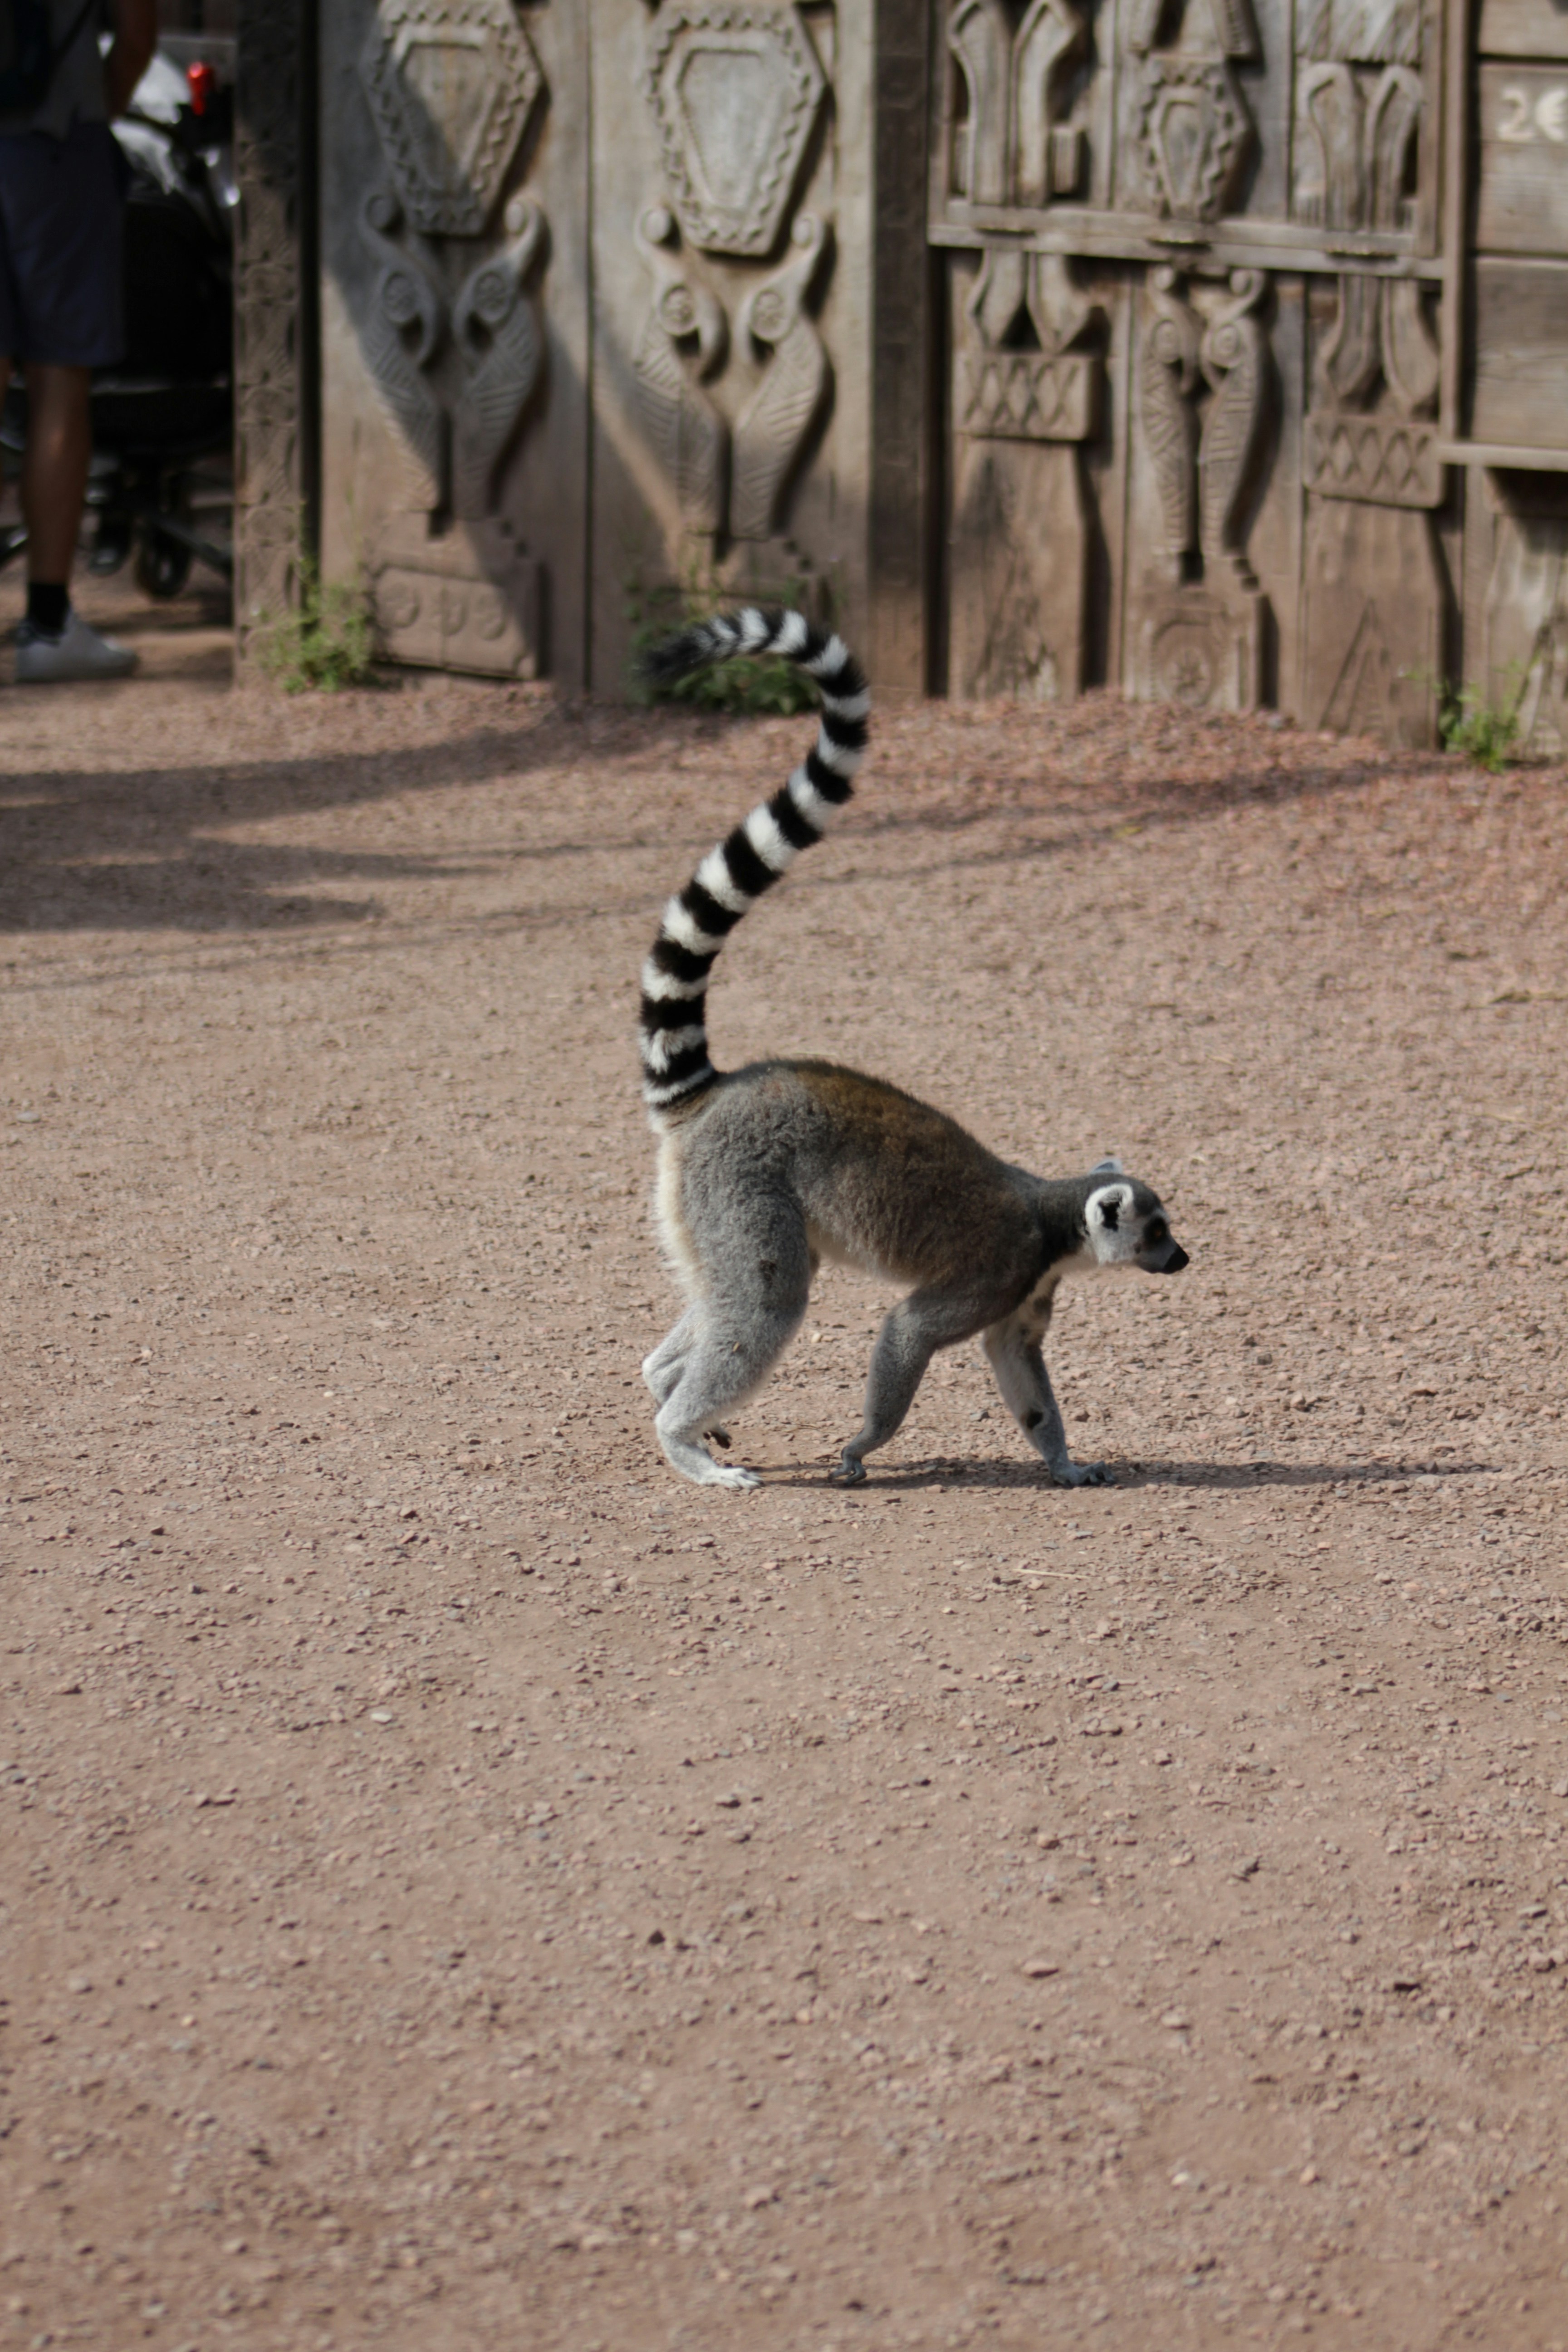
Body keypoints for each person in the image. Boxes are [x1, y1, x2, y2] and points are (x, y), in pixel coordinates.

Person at [0, 0, 157, 682]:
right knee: (58, 376)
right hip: (57, 139)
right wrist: (96, 106)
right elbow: (137, 35)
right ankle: (47, 624)